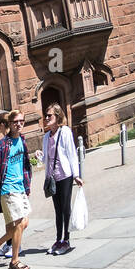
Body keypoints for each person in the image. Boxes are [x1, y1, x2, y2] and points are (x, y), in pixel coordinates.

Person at [0, 108, 32, 269]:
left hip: (20, 188)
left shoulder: (23, 140)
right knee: (19, 223)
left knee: (23, 223)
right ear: (9, 124)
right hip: (7, 188)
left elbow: (26, 165)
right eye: (15, 122)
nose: (19, 124)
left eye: (21, 121)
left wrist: (27, 185)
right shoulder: (2, 145)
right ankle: (14, 262)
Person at [41, 105, 83, 255]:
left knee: (65, 208)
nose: (46, 118)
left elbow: (71, 153)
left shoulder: (64, 132)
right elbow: (46, 159)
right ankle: (58, 239)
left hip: (65, 175)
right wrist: (40, 156)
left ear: (57, 117)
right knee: (57, 210)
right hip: (53, 177)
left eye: (49, 116)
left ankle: (66, 239)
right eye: (46, 115)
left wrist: (77, 175)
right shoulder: (46, 137)